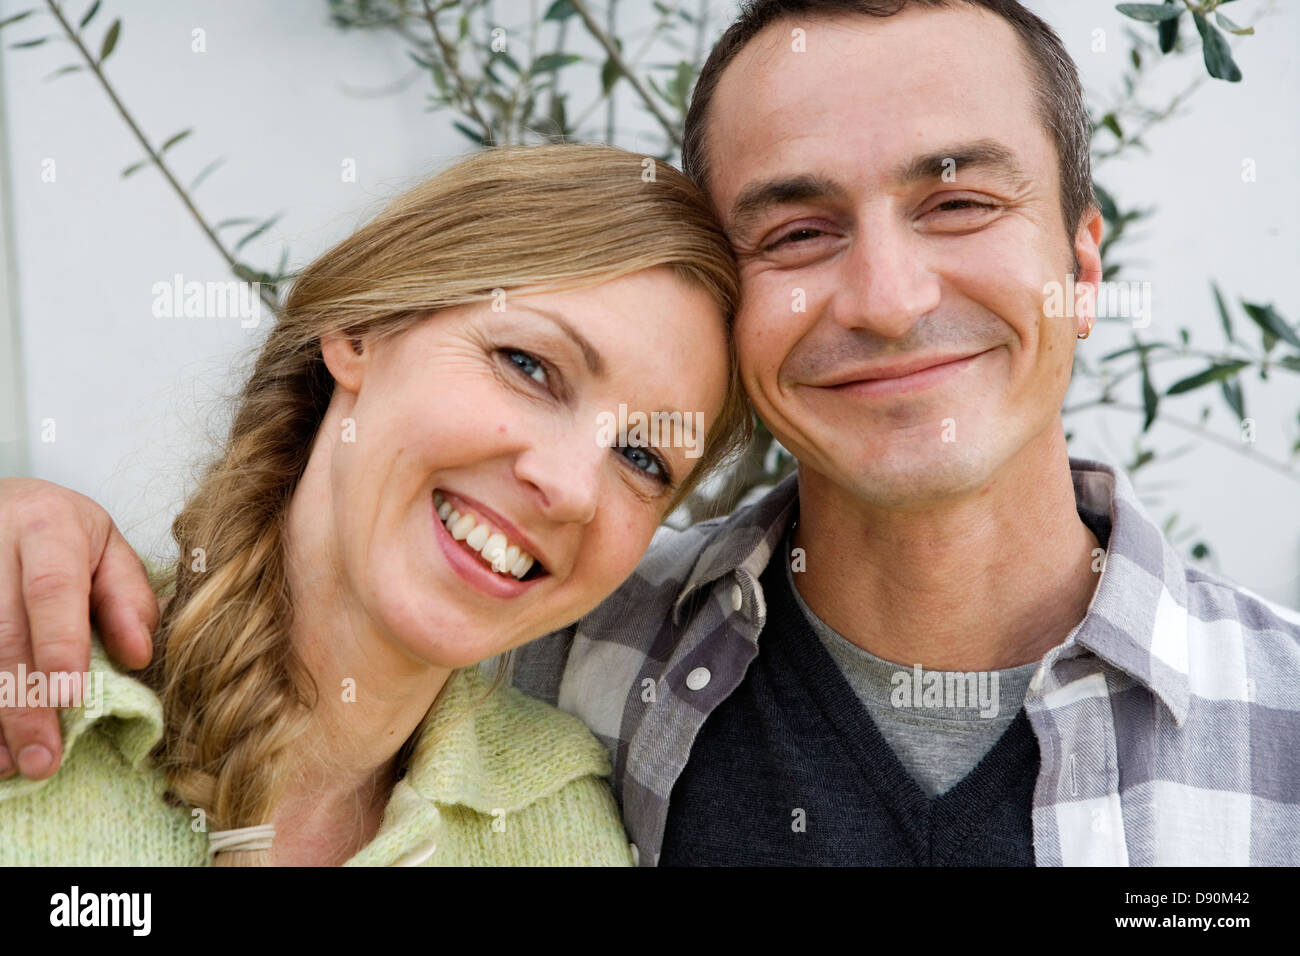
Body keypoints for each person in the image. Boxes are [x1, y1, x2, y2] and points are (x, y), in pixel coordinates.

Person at [5, 0, 1300, 867]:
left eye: (958, 200)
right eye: (797, 231)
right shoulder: (577, 657)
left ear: (1083, 257)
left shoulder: (1280, 723)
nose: (891, 299)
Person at [0, 142, 752, 865]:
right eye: (528, 366)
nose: (571, 487)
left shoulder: (558, 819)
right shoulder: (37, 691)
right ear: (360, 329)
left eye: (642, 457)